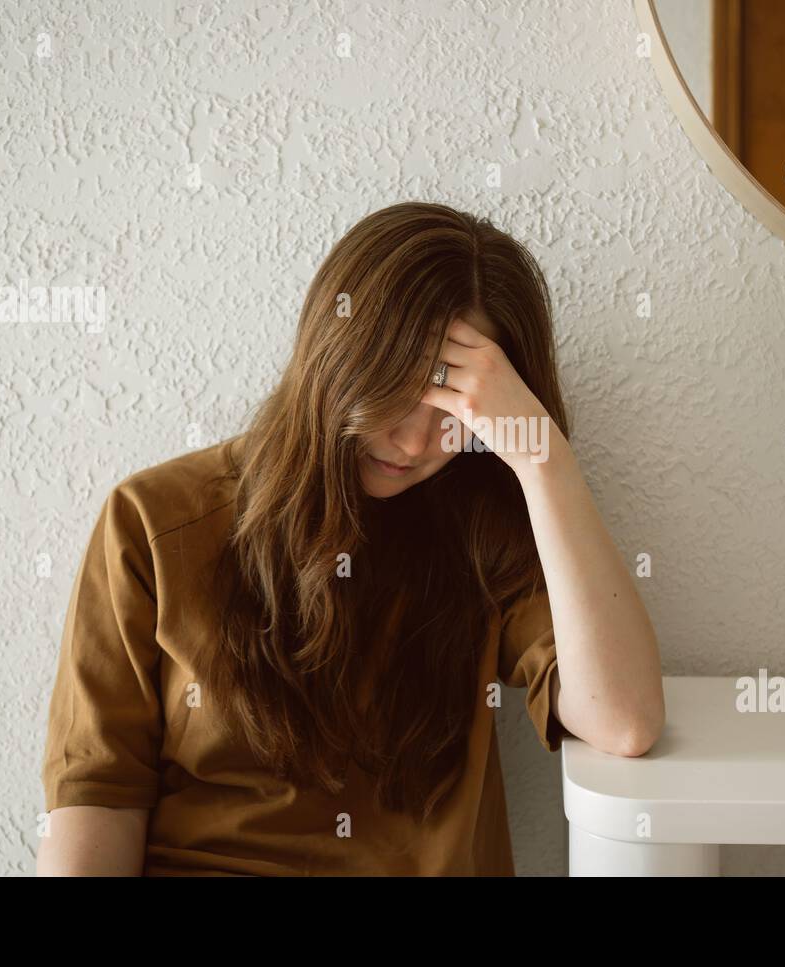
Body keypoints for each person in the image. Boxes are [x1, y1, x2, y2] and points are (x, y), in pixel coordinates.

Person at [36, 201, 664, 875]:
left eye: (456, 408)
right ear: (337, 351)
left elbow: (623, 720)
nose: (417, 440)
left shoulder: (484, 528)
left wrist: (545, 458)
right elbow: (96, 798)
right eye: (398, 383)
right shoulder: (155, 523)